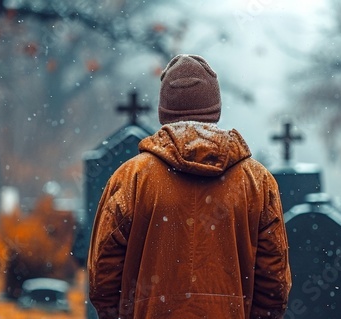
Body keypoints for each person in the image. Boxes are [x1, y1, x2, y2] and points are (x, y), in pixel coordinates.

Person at [88, 54, 291, 319]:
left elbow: (103, 272)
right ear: (214, 108)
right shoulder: (256, 181)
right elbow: (274, 279)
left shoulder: (132, 178)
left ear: (165, 111)